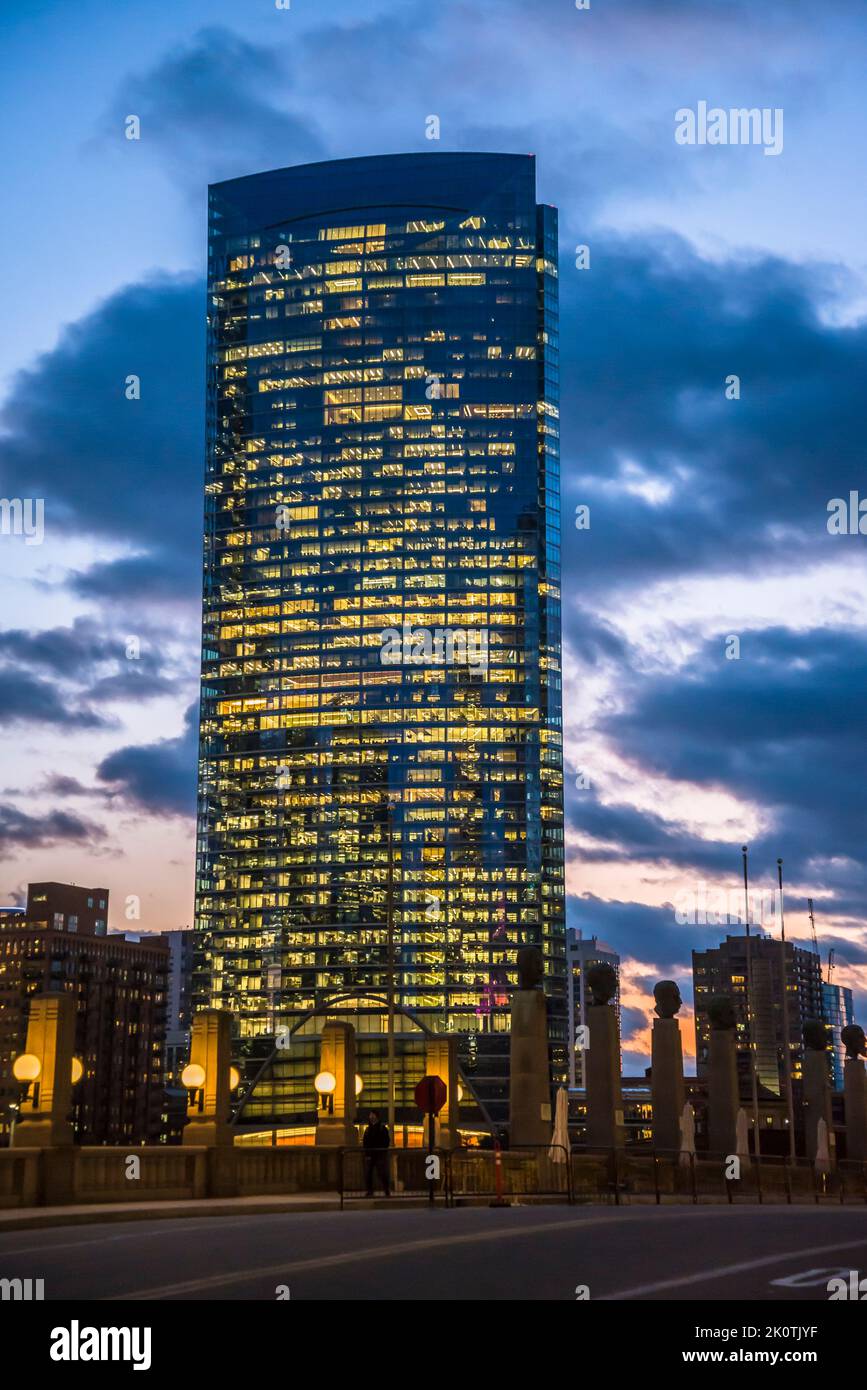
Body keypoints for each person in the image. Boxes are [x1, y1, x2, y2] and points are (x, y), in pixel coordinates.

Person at [362, 1110, 391, 1196]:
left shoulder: (382, 1128)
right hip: (372, 1154)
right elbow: (365, 1142)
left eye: (372, 1115)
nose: (371, 1117)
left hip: (379, 1154)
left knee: (382, 1173)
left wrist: (381, 1150)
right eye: (370, 1115)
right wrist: (367, 1153)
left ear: (377, 1116)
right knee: (369, 1174)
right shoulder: (368, 1129)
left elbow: (386, 1141)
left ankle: (386, 1190)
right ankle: (370, 1190)